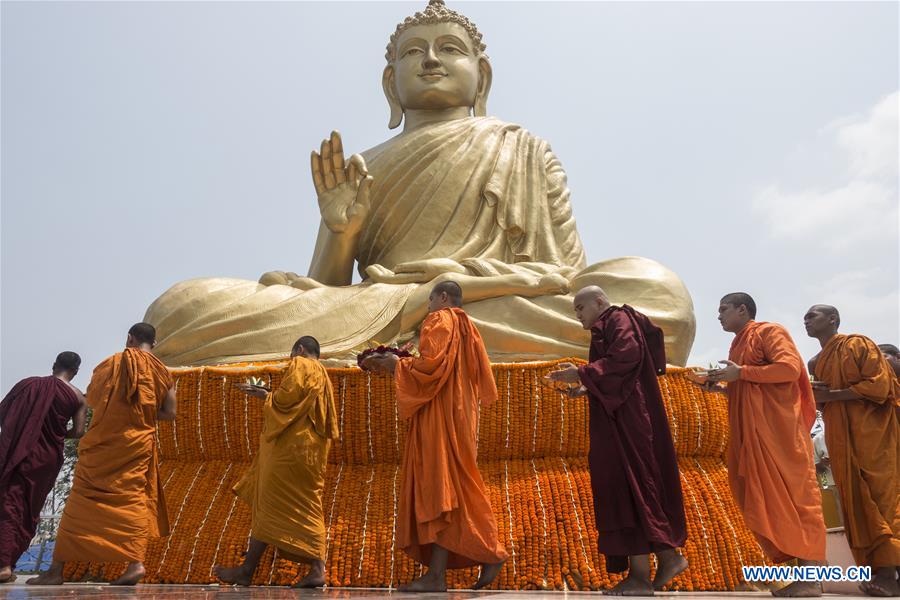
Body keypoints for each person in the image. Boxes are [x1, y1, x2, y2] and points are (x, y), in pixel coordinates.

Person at [363, 280, 508, 592]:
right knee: (452, 489)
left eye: (429, 299)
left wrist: (397, 364)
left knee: (439, 487)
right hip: (460, 414)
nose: (427, 306)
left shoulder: (441, 319)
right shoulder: (469, 328)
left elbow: (430, 366)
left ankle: (484, 554)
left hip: (439, 412)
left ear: (443, 297)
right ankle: (442, 572)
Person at [547, 286, 688, 596]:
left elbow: (627, 356)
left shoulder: (618, 318)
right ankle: (665, 559)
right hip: (618, 418)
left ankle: (642, 575)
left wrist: (582, 373)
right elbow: (618, 373)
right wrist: (586, 386)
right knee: (623, 488)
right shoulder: (606, 324)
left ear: (599, 301)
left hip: (629, 419)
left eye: (580, 308)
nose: (577, 315)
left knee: (630, 484)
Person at [27, 323, 176, 586]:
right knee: (133, 501)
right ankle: (135, 564)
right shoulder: (162, 371)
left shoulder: (111, 364)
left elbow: (94, 400)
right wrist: (141, 412)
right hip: (137, 446)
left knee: (78, 505)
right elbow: (170, 413)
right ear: (154, 342)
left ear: (129, 338)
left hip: (103, 448)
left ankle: (56, 570)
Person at [705, 293, 826, 597]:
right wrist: (723, 386)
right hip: (756, 435)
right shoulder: (738, 343)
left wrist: (742, 373)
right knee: (767, 500)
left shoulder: (769, 332)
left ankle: (812, 580)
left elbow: (789, 368)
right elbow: (752, 389)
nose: (719, 316)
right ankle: (803, 577)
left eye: (723, 309)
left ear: (742, 309)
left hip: (781, 435)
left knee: (796, 500)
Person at [214, 336, 338, 588]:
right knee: (305, 506)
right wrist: (272, 394)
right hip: (312, 453)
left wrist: (265, 395)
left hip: (290, 451)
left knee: (268, 503)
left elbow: (285, 399)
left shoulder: (301, 364)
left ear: (299, 349)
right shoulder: (324, 376)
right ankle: (254, 570)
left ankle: (251, 570)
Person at [805, 305, 899, 597]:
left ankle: (888, 573)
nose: (806, 320)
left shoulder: (858, 345)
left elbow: (880, 387)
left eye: (812, 315)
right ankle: (879, 572)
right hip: (841, 438)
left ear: (833, 319)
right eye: (805, 317)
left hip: (873, 436)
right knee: (856, 503)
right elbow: (821, 403)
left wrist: (832, 394)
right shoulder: (815, 362)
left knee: (881, 500)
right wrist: (819, 396)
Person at [0, 352, 86, 584]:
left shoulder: (28, 385)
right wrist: (55, 434)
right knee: (30, 509)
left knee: (9, 504)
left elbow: (4, 412)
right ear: (76, 371)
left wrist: (25, 431)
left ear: (54, 365)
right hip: (48, 458)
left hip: (20, 453)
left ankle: (3, 565)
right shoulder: (78, 396)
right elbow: (79, 432)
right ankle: (8, 564)